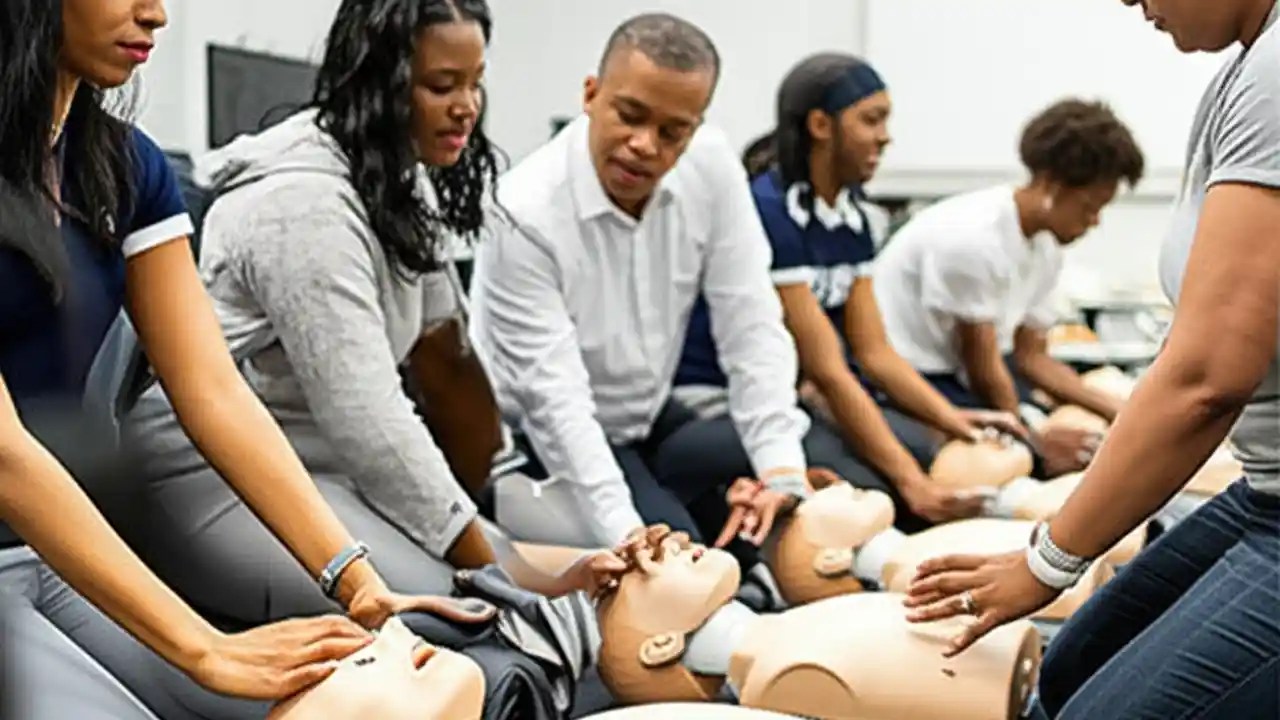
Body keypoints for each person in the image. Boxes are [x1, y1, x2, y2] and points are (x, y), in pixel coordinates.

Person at [0, 1, 493, 718]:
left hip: (53, 553)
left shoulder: (125, 166)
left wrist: (354, 579)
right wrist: (205, 648)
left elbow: (213, 392)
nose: (156, 13)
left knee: (319, 693)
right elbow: (6, 452)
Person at [125, 0, 613, 638]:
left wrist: (522, 541)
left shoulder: (397, 182)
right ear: (380, 80)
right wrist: (503, 565)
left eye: (475, 82)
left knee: (533, 590)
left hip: (319, 466)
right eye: (442, 85)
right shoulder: (301, 205)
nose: (467, 106)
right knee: (476, 619)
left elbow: (448, 357)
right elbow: (370, 421)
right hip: (206, 477)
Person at [904, 0, 1280, 717]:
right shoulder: (1245, 70)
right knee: (1073, 664)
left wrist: (1049, 558)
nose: (1129, 0)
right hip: (1266, 490)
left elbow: (1206, 379)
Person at [470, 12, 813, 568]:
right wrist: (632, 536)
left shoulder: (712, 167)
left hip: (648, 420)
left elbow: (750, 324)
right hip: (540, 441)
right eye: (629, 116)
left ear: (696, 129)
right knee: (683, 569)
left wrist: (781, 473)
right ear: (590, 94)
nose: (643, 145)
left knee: (795, 486)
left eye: (673, 132)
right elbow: (557, 405)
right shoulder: (523, 210)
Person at [674, 53, 1027, 533]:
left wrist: (954, 420)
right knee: (876, 489)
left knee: (923, 450)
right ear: (821, 125)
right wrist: (912, 486)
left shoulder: (854, 217)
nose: (885, 135)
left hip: (790, 399)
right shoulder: (771, 212)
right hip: (716, 401)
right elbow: (829, 370)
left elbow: (875, 352)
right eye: (871, 119)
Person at [872, 99, 1145, 476]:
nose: (1095, 222)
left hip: (961, 374)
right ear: (1050, 185)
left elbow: (1033, 358)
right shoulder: (973, 239)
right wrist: (1032, 442)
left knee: (1084, 430)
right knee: (1024, 462)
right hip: (909, 380)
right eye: (1088, 207)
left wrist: (1122, 413)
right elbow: (983, 369)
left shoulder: (1045, 246)